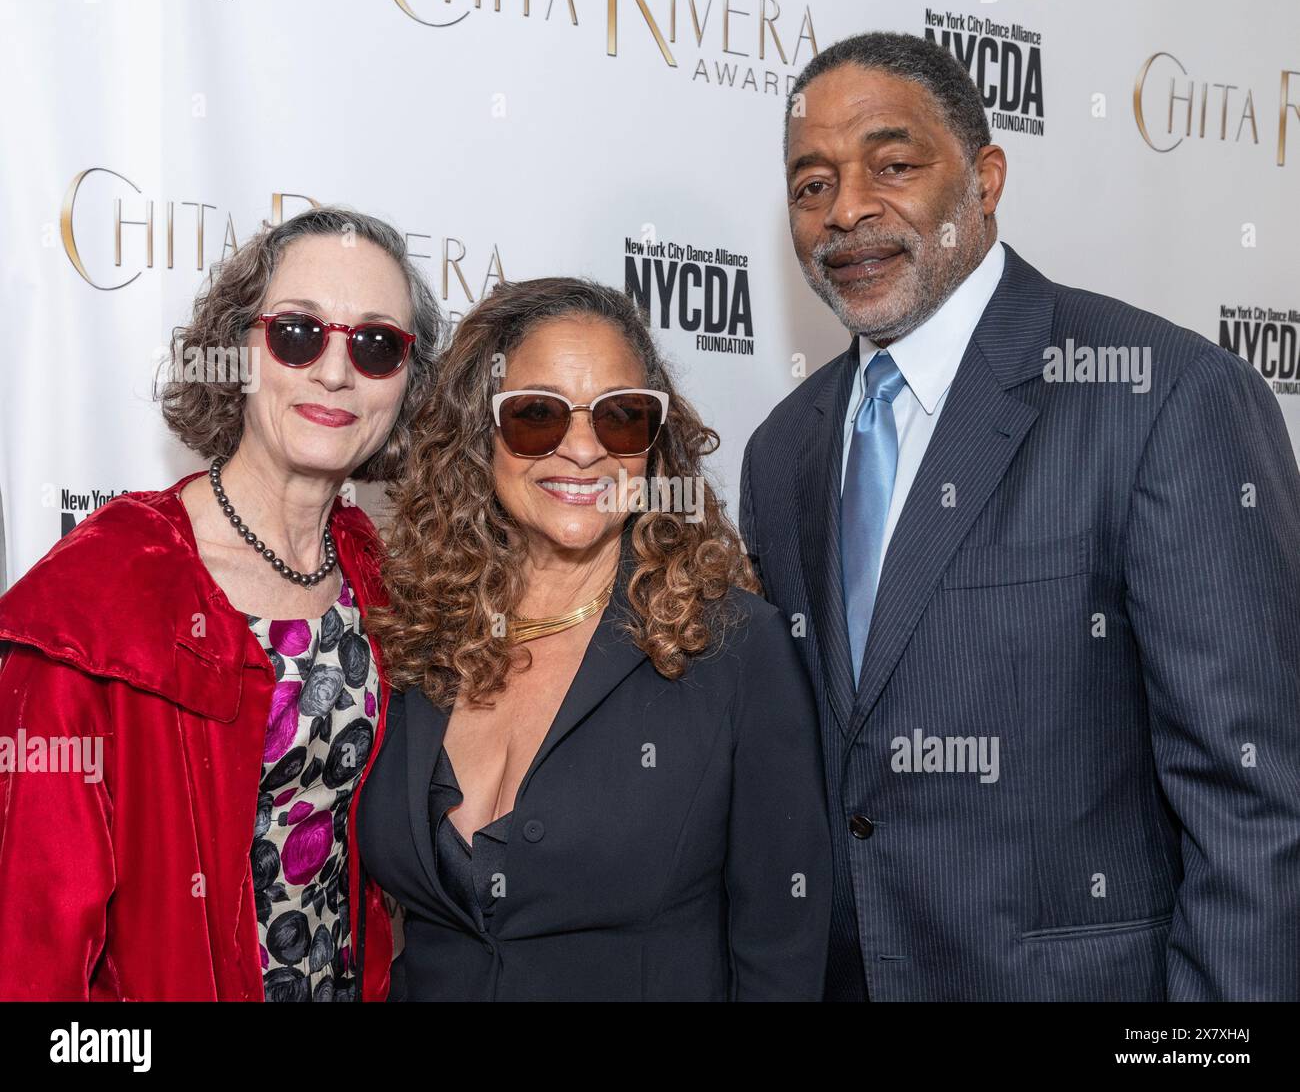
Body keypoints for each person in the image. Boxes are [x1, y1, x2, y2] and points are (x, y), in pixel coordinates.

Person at [742, 31, 1300, 1001]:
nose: (849, 211)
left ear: (985, 177)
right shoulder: (779, 450)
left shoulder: (1160, 398)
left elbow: (1254, 804)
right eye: (811, 184)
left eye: (893, 165)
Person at [0, 206, 446, 1000]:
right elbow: (33, 950)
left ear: (407, 383)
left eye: (376, 345)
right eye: (299, 334)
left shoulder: (379, 578)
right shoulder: (102, 598)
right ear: (238, 350)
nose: (336, 372)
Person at [358, 276, 831, 1000]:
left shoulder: (736, 649)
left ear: (653, 442)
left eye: (620, 417)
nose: (582, 450)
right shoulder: (416, 630)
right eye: (537, 414)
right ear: (477, 434)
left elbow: (782, 955)